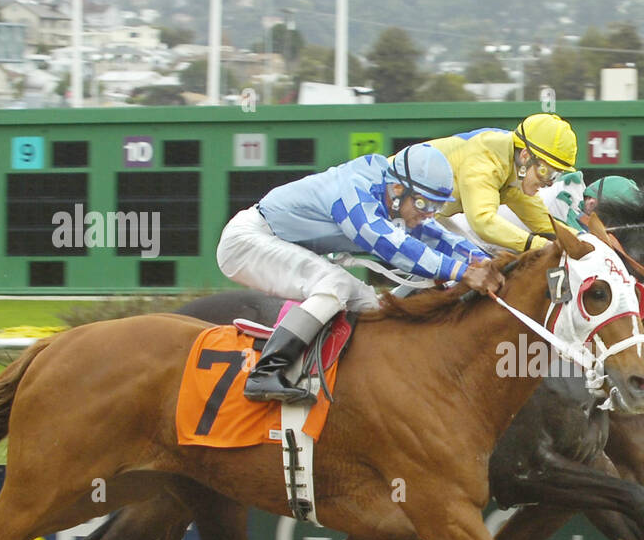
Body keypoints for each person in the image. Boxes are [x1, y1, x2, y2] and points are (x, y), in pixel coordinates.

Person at [216, 142, 502, 403]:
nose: (429, 213)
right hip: (247, 241)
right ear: (398, 189)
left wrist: (482, 259)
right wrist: (462, 272)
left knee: (368, 303)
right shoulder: (354, 189)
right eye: (425, 204)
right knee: (334, 282)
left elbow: (434, 234)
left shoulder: (391, 191)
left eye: (436, 206)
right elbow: (390, 245)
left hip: (276, 241)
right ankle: (265, 373)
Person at [429, 113, 577, 253]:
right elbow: (483, 222)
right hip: (410, 214)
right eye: (547, 172)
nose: (550, 183)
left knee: (479, 260)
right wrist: (539, 245)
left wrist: (585, 239)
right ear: (525, 156)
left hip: (429, 215)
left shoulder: (513, 168)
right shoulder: (486, 161)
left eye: (557, 175)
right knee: (474, 264)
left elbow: (544, 223)